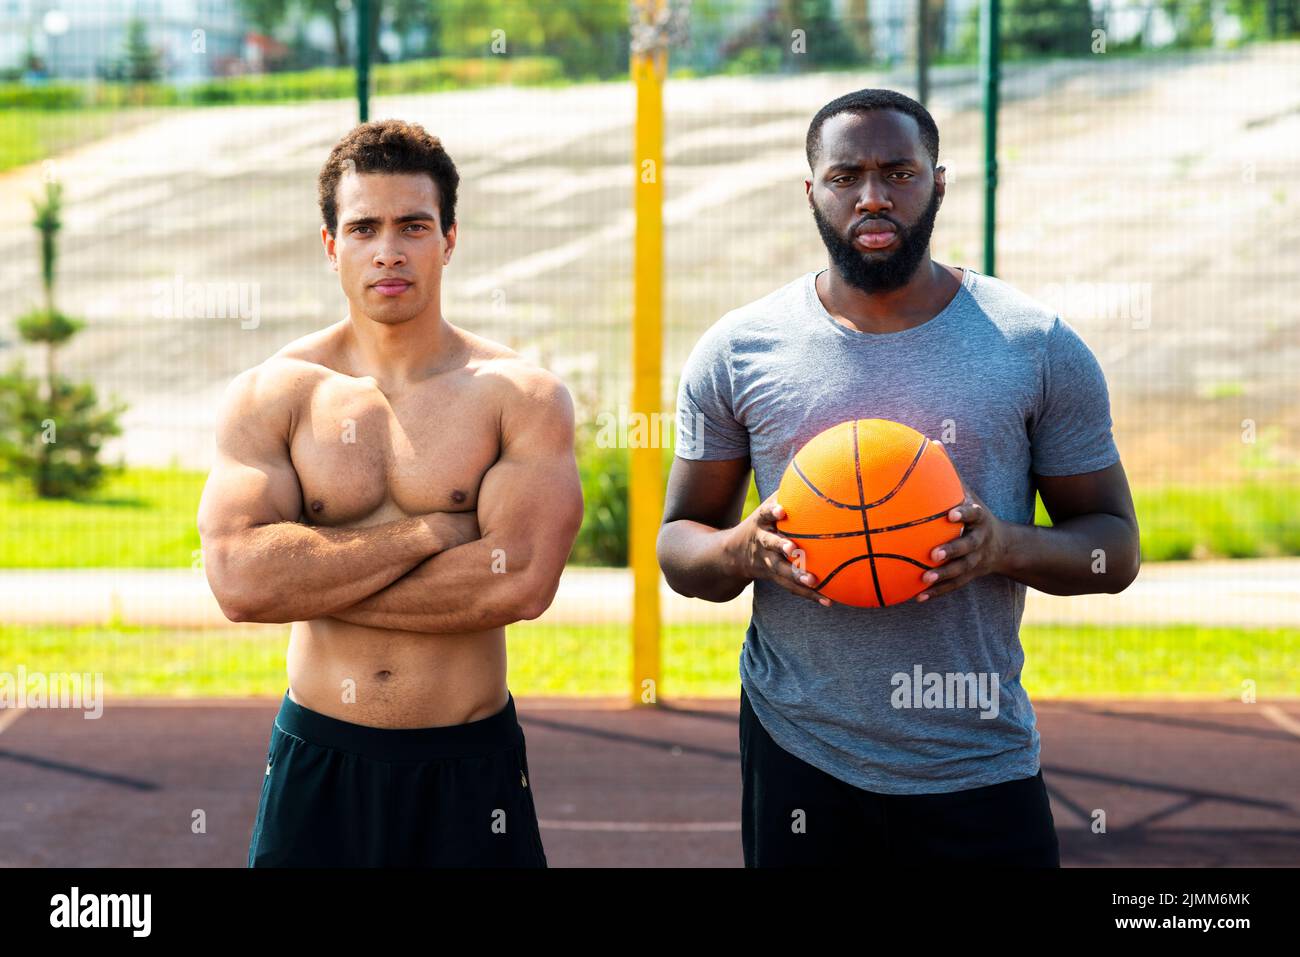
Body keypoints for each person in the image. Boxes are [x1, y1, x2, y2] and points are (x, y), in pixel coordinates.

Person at [657, 89, 1140, 867]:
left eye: (899, 173)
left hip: (978, 751)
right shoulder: (740, 350)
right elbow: (679, 546)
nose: (873, 196)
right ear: (811, 189)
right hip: (801, 749)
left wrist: (1002, 546)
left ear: (939, 184)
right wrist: (745, 550)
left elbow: (1113, 551)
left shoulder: (1033, 343)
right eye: (846, 175)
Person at [197, 119, 583, 867]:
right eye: (364, 227)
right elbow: (241, 582)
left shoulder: (520, 396)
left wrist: (306, 578)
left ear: (449, 239)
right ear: (330, 246)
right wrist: (431, 535)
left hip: (470, 765)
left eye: (413, 225)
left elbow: (520, 582)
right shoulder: (274, 394)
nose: (389, 250)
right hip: (321, 756)